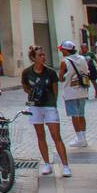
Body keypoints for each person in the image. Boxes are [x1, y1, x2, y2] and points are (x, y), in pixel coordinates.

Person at [21, 44, 70, 176]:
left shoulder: (50, 72)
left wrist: (52, 103)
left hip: (49, 106)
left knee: (56, 136)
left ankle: (65, 165)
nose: (43, 57)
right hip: (35, 107)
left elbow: (55, 90)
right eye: (40, 55)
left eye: (43, 55)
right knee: (40, 135)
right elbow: (25, 87)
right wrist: (33, 95)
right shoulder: (27, 72)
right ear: (33, 58)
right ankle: (47, 164)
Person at [58, 40, 91, 147]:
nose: (61, 51)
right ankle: (84, 137)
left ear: (66, 50)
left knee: (74, 116)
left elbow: (61, 78)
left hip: (70, 92)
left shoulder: (64, 61)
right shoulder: (82, 58)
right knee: (81, 115)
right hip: (82, 90)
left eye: (62, 49)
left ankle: (79, 138)